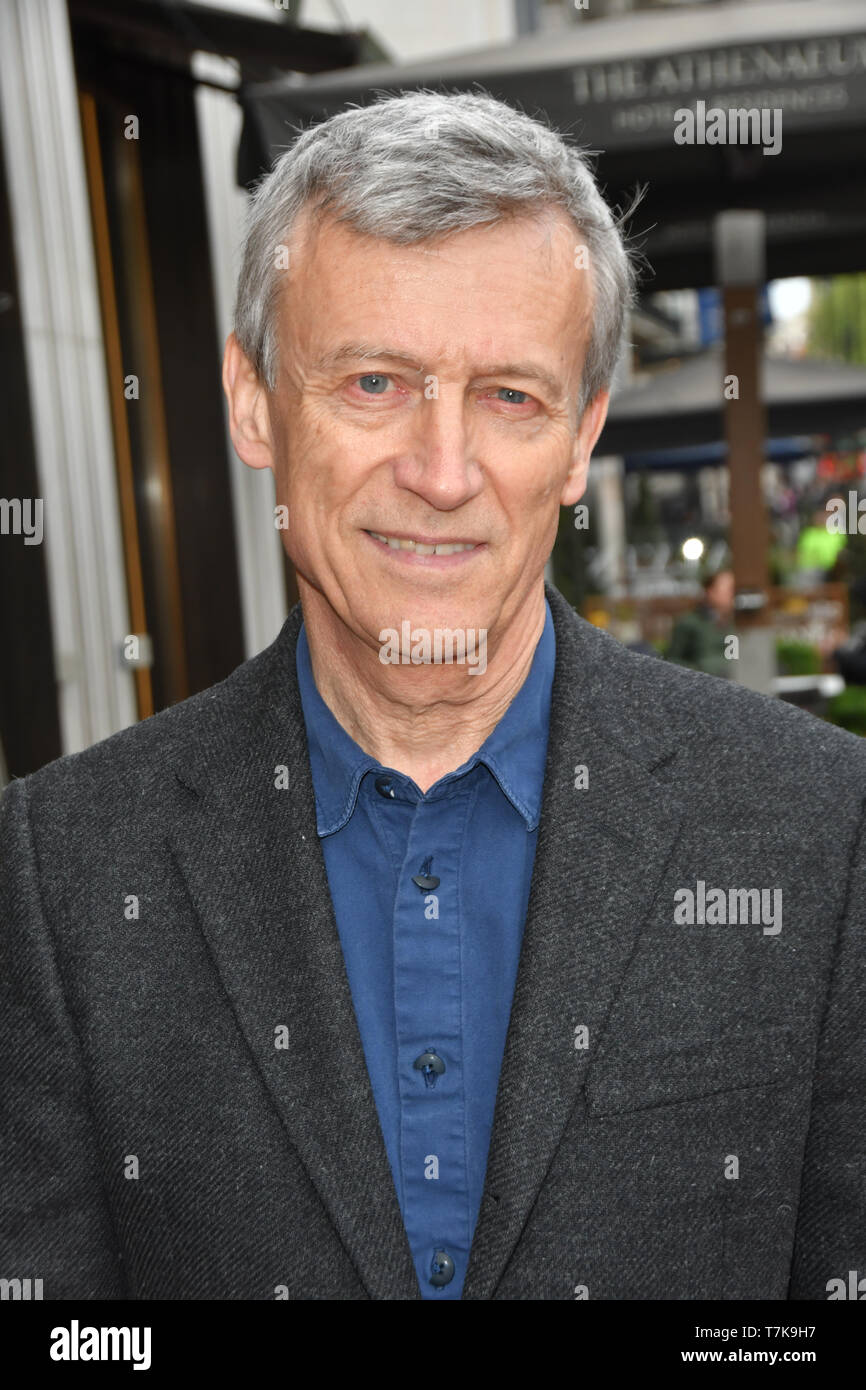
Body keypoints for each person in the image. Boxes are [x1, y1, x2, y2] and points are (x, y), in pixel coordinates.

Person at [1, 90, 864, 1302]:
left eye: (509, 396)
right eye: (371, 382)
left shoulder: (817, 831)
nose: (441, 472)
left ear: (579, 439)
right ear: (253, 403)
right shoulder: (61, 875)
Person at [665, 568, 735, 677]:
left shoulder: (736, 625)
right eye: (729, 589)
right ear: (711, 592)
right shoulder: (689, 623)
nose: (733, 594)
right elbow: (672, 661)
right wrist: (699, 671)